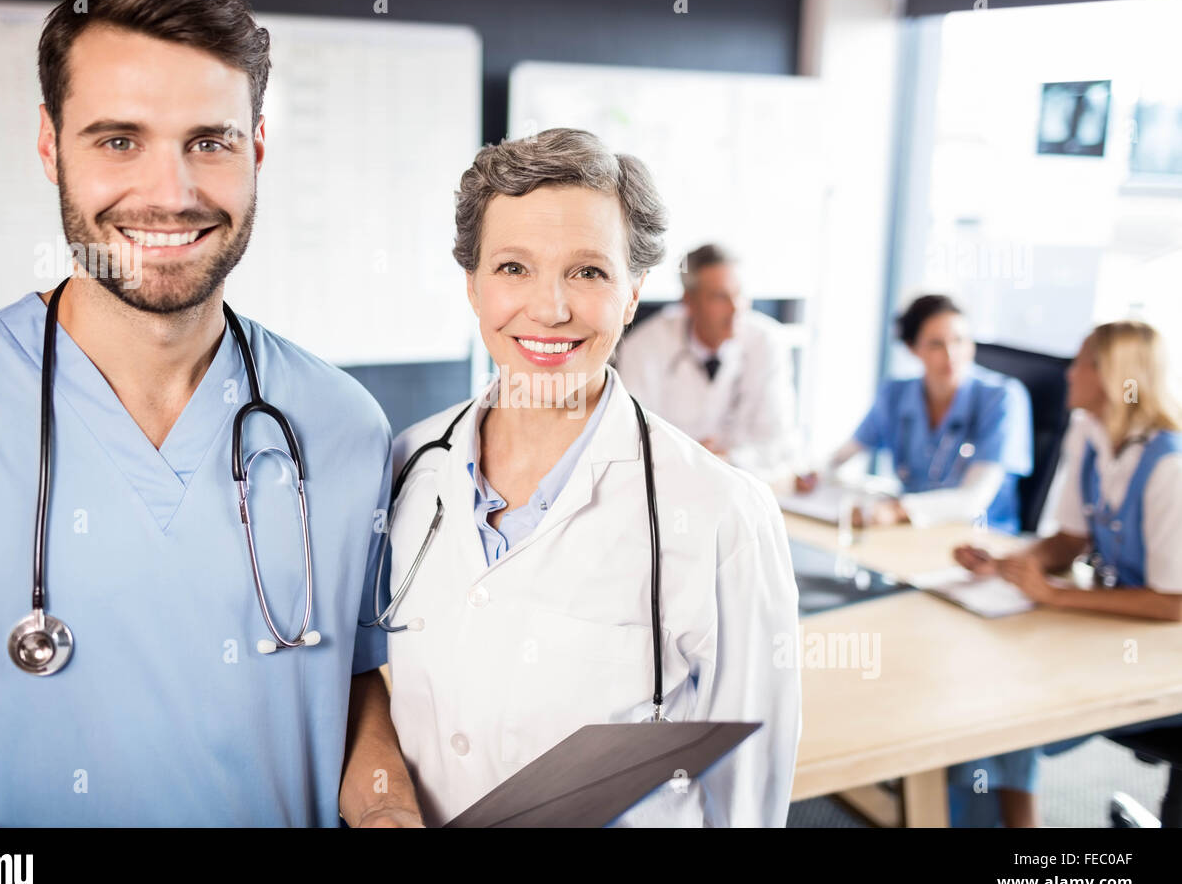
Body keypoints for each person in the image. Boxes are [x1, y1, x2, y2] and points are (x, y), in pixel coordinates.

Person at [0, 0, 421, 827]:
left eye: (209, 141)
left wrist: (386, 805)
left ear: (256, 151)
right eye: (118, 139)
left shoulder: (342, 424)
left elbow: (351, 679)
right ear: (52, 146)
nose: (170, 195)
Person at [374, 128, 802, 827]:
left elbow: (747, 797)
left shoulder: (724, 514)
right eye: (513, 268)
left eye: (588, 272)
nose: (550, 308)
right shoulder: (410, 464)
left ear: (634, 292)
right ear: (473, 286)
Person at [949, 319, 1182, 827]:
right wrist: (1012, 565)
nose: (1068, 373)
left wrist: (1053, 595)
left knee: (1006, 717)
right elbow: (1071, 540)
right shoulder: (1091, 433)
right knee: (990, 705)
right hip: (1120, 636)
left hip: (1170, 662)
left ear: (1111, 375)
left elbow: (1173, 602)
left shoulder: (1170, 465)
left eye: (1080, 363)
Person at [797, 294, 1033, 533]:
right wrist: (814, 473)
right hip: (911, 532)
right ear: (912, 348)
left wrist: (897, 510)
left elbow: (973, 500)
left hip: (980, 540)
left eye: (960, 340)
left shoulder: (1003, 398)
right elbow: (844, 454)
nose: (951, 354)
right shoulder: (895, 395)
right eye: (936, 344)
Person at [615, 243, 799, 488]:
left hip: (742, 487)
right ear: (689, 302)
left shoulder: (767, 342)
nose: (736, 308)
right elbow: (630, 442)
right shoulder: (644, 347)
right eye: (720, 297)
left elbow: (780, 445)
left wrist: (726, 459)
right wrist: (690, 458)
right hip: (668, 490)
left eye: (740, 294)